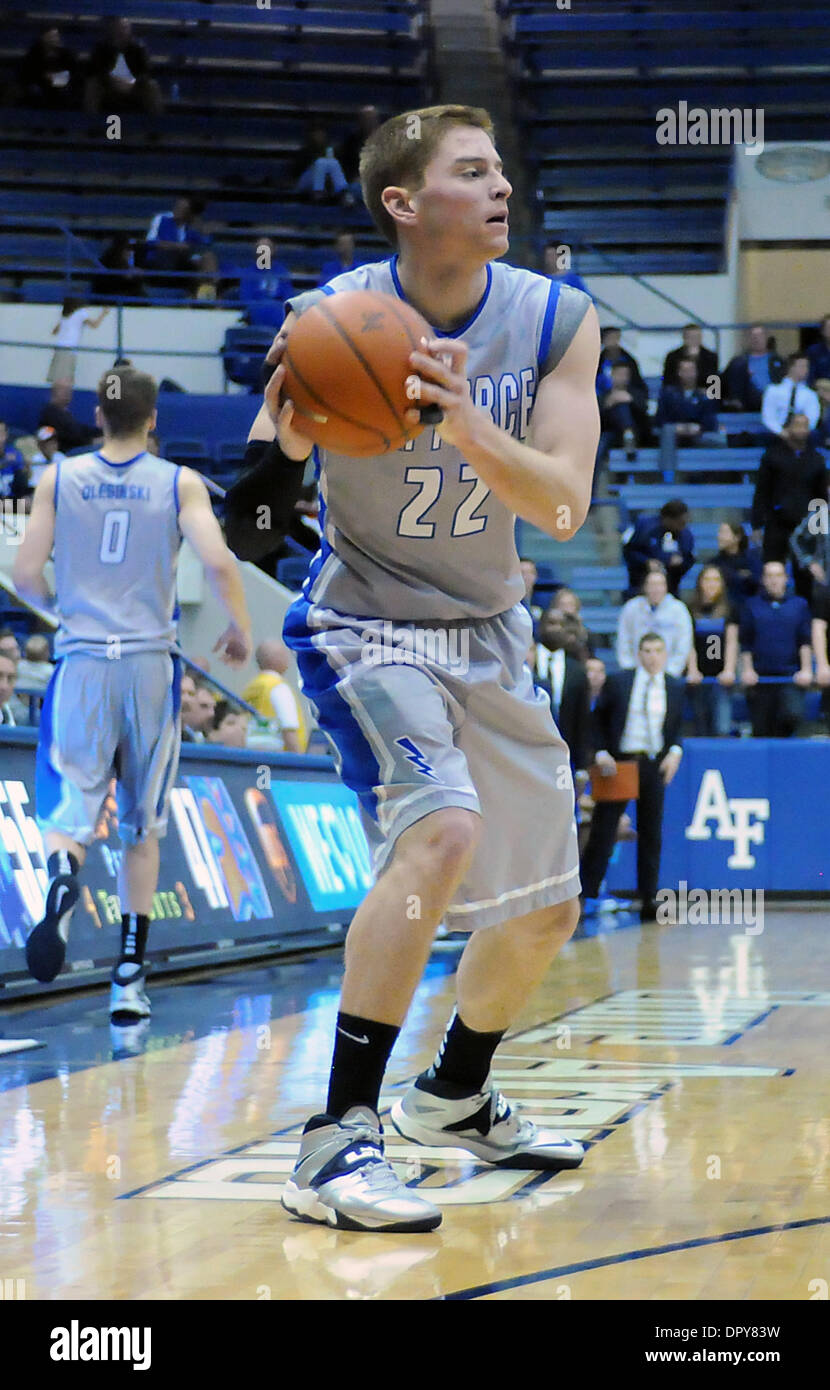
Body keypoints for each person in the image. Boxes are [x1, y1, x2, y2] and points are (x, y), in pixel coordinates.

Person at [225, 102, 599, 1233]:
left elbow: (565, 504)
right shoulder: (327, 321)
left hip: (489, 633)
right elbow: (249, 522)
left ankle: (453, 1094)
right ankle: (334, 1139)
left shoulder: (555, 321)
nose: (501, 190)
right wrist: (285, 450)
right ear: (402, 200)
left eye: (500, 171)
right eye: (472, 172)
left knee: (543, 913)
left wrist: (454, 423)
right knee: (440, 829)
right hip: (366, 624)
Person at [13, 366, 252, 1018]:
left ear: (97, 416)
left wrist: (61, 610)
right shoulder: (178, 482)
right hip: (150, 664)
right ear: (153, 421)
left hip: (84, 661)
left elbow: (24, 572)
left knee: (72, 813)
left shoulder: (58, 477)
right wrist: (239, 626)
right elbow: (220, 562)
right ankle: (128, 977)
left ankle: (64, 881)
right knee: (141, 827)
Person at [580, 633, 684, 923]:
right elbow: (597, 720)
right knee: (604, 830)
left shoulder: (675, 686)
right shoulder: (620, 682)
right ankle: (586, 895)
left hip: (653, 764)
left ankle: (649, 898)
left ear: (665, 654)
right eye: (647, 650)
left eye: (657, 650)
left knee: (652, 833)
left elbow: (676, 728)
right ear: (639, 654)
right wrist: (600, 751)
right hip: (621, 763)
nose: (652, 656)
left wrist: (675, 752)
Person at [739, 561, 813, 737]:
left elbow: (804, 641)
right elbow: (745, 642)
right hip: (760, 680)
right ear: (763, 579)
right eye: (769, 576)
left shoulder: (799, 605)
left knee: (792, 715)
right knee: (762, 729)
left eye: (778, 575)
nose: (774, 580)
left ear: (786, 579)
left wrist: (807, 669)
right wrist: (748, 670)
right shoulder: (752, 605)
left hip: (790, 677)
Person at [751, 413, 828, 577]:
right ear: (788, 428)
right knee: (772, 566)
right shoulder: (772, 456)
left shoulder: (816, 459)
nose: (801, 429)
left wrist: (821, 526)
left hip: (806, 526)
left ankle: (804, 601)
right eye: (797, 425)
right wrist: (757, 524)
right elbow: (762, 491)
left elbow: (822, 497)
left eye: (805, 425)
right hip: (776, 522)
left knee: (805, 571)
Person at [534, 608, 591, 777]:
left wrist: (582, 766)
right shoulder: (525, 663)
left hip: (565, 754)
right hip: (530, 750)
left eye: (561, 625)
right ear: (540, 627)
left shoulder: (578, 671)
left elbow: (582, 720)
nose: (555, 629)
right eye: (551, 623)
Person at [684, 565, 739, 736]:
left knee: (721, 726)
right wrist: (692, 669)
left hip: (721, 678)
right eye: (707, 579)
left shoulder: (730, 608)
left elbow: (731, 642)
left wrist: (729, 670)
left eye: (715, 580)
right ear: (700, 583)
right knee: (701, 722)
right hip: (699, 678)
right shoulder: (690, 608)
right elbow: (688, 642)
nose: (711, 584)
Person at [617, 567, 693, 677]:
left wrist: (670, 673)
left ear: (666, 587)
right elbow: (623, 642)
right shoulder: (631, 608)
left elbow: (683, 645)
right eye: (652, 584)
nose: (656, 589)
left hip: (670, 673)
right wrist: (630, 673)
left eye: (660, 584)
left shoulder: (679, 609)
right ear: (645, 587)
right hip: (636, 674)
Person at [83, 16, 163, 116]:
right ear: (112, 30)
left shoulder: (138, 48)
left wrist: (132, 82)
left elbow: (146, 71)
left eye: (125, 28)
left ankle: (155, 128)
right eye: (119, 28)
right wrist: (112, 81)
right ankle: (92, 125)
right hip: (108, 86)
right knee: (92, 85)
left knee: (152, 86)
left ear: (130, 30)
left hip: (134, 87)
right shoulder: (101, 47)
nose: (122, 31)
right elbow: (95, 70)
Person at [242, 640, 307, 753]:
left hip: (255, 757)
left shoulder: (250, 688)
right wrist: (300, 763)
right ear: (278, 658)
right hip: (282, 761)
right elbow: (289, 731)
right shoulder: (278, 687)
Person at [622, 498, 694, 597]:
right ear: (668, 519)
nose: (682, 526)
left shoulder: (686, 535)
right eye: (680, 523)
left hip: (671, 589)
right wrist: (646, 561)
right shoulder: (645, 528)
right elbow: (629, 552)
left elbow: (689, 559)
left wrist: (680, 563)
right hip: (639, 586)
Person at [656, 357, 725, 446]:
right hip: (673, 436)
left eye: (691, 370)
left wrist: (699, 428)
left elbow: (710, 421)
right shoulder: (667, 394)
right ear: (679, 372)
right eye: (685, 370)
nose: (688, 374)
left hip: (700, 436)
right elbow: (660, 420)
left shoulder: (706, 396)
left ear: (696, 372)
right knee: (667, 433)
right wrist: (678, 428)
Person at [47, 298, 109, 385]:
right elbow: (94, 325)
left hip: (59, 348)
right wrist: (104, 313)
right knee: (65, 379)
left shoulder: (66, 315)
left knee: (58, 379)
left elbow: (54, 331)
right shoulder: (81, 313)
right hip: (69, 349)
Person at [722, 325, 785, 411]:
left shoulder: (779, 361)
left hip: (773, 398)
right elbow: (724, 381)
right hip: (748, 399)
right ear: (748, 339)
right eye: (753, 336)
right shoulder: (738, 362)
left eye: (760, 336)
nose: (756, 339)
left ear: (766, 338)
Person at [761, 354, 820, 438]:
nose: (806, 370)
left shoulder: (810, 394)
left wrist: (799, 432)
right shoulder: (773, 390)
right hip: (776, 435)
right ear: (791, 367)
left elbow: (812, 418)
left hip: (802, 436)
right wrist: (781, 432)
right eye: (802, 366)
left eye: (807, 367)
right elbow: (768, 417)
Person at [706, 520, 762, 608]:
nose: (719, 536)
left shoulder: (752, 559)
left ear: (737, 537)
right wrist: (740, 576)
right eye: (719, 533)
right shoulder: (714, 563)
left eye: (724, 533)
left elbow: (758, 582)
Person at [238, 238, 294, 325]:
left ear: (273, 251)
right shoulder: (248, 272)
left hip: (278, 310)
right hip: (256, 310)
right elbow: (245, 298)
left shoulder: (282, 271)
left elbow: (288, 296)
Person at [21, 27, 80, 109]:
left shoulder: (66, 54)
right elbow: (28, 73)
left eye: (56, 36)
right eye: (50, 36)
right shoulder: (34, 53)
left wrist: (54, 77)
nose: (54, 39)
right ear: (43, 38)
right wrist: (44, 76)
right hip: (40, 85)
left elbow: (73, 73)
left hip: (61, 85)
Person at [599, 362, 651, 454]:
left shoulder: (637, 393)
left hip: (637, 433)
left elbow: (645, 413)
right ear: (612, 375)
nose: (622, 378)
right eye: (619, 374)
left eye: (625, 375)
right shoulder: (604, 396)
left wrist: (631, 400)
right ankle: (628, 434)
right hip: (610, 431)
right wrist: (608, 404)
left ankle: (628, 434)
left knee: (623, 406)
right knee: (601, 443)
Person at [294, 124, 351, 204]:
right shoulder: (304, 153)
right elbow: (296, 174)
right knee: (321, 163)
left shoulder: (333, 152)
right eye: (316, 133)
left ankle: (343, 194)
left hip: (328, 182)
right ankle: (322, 192)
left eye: (321, 133)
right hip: (305, 182)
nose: (318, 136)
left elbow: (340, 173)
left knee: (331, 163)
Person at [38, 381, 98, 453]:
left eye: (69, 390)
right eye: (63, 390)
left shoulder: (64, 412)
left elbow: (81, 429)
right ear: (54, 392)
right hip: (65, 452)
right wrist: (92, 441)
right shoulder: (51, 413)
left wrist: (103, 432)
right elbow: (70, 436)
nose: (67, 393)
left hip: (76, 447)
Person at [662, 324, 719, 391]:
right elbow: (666, 378)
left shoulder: (710, 356)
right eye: (690, 337)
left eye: (697, 337)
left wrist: (695, 359)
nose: (694, 340)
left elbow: (712, 380)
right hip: (678, 391)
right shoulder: (672, 356)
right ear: (684, 338)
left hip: (703, 392)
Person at [596, 326, 647, 398]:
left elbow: (638, 384)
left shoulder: (629, 361)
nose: (614, 342)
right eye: (610, 338)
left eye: (616, 338)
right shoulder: (598, 361)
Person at [92, 233, 145, 301]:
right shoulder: (106, 261)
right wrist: (124, 276)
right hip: (108, 297)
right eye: (127, 248)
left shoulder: (130, 263)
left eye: (132, 249)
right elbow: (104, 282)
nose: (130, 252)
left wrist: (135, 275)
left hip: (127, 297)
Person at [0, 421, 28, 500]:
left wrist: (26, 470)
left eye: (1, 433)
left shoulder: (15, 454)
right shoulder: (8, 458)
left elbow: (22, 478)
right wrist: (4, 462)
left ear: (6, 434)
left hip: (11, 500)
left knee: (27, 503)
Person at [807, 314, 830, 385]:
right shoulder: (813, 351)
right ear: (822, 331)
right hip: (820, 391)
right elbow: (810, 376)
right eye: (829, 328)